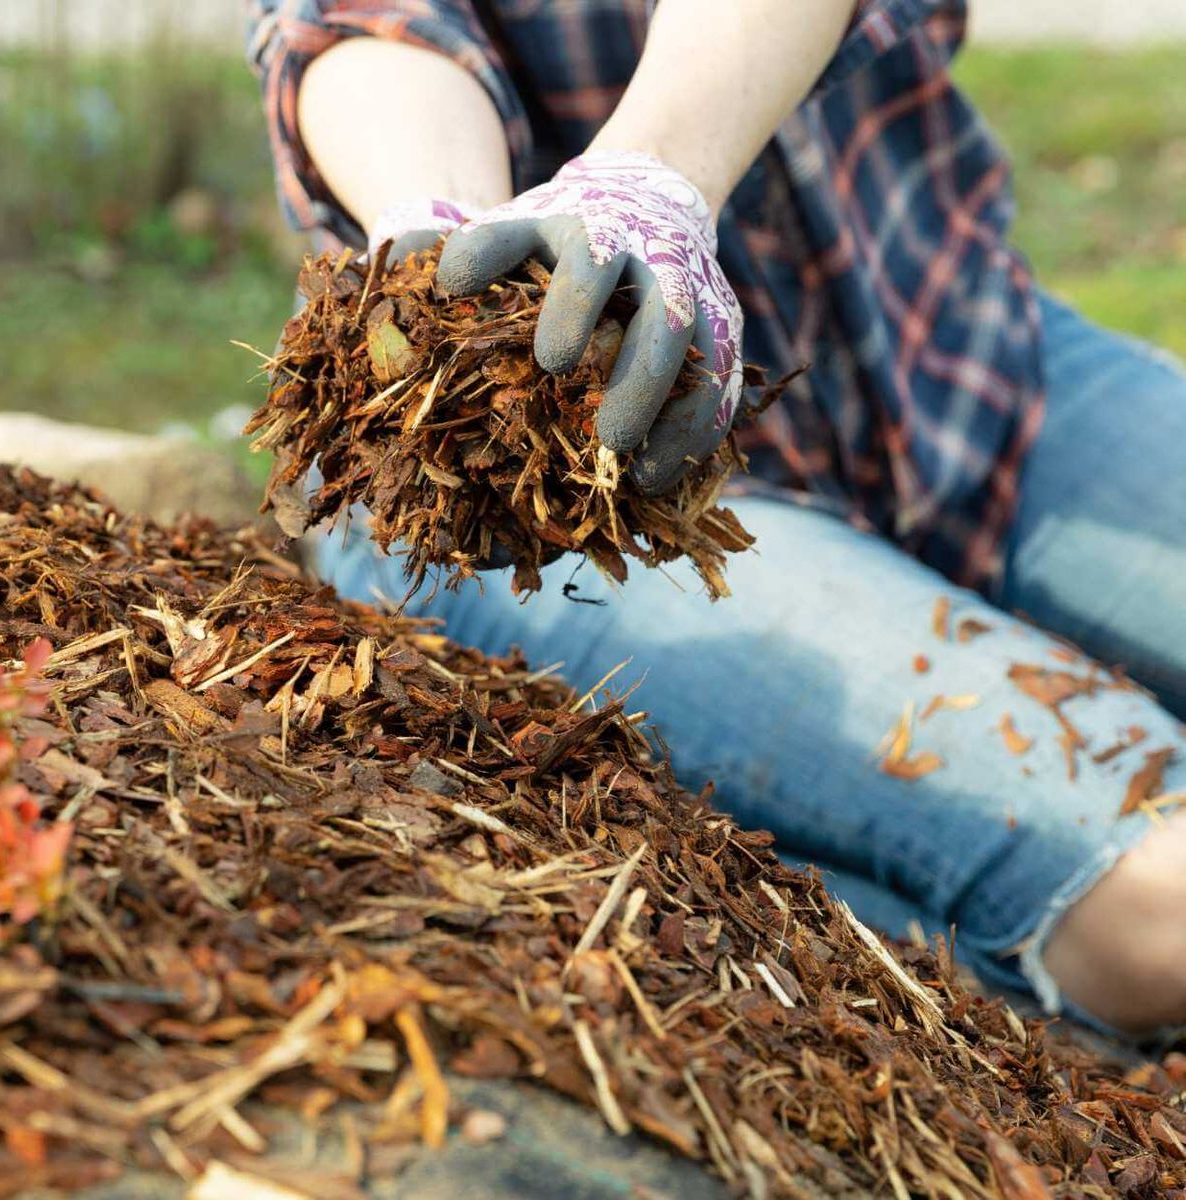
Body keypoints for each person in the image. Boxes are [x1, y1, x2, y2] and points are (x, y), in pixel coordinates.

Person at [245, 0, 1186, 1036]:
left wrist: (648, 180)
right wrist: (443, 231)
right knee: (1164, 907)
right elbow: (364, 24)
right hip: (599, 507)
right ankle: (781, 900)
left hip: (957, 356)